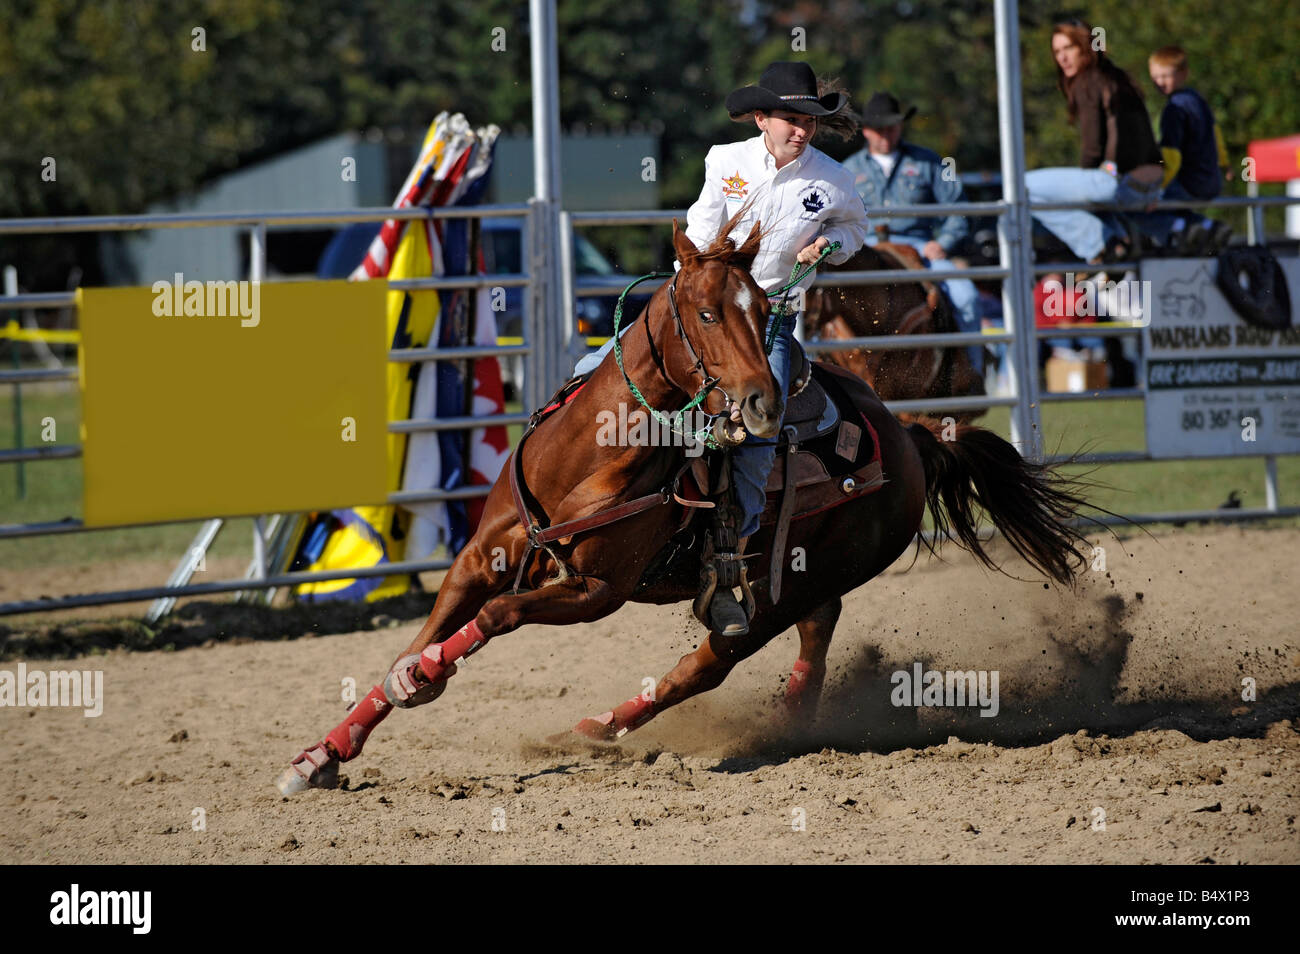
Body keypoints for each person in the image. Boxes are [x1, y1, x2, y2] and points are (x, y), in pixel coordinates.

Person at [574, 60, 869, 635]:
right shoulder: (724, 161)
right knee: (594, 369)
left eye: (808, 118)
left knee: (759, 429)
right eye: (789, 117)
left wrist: (830, 243)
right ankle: (572, 501)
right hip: (706, 314)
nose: (800, 129)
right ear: (762, 118)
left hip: (770, 323)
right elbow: (701, 224)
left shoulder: (834, 179)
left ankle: (727, 569)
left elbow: (856, 229)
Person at [842, 91, 983, 373]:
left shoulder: (929, 162)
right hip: (865, 252)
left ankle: (972, 374)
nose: (886, 135)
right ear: (866, 131)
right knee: (823, 304)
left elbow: (958, 209)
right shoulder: (846, 170)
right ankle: (819, 378)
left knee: (966, 297)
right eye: (879, 129)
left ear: (900, 126)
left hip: (919, 249)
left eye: (891, 127)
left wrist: (942, 242)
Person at [1024, 18, 1165, 264]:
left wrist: (1086, 181)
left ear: (1086, 47)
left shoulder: (1088, 81)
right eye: (1057, 51)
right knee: (1077, 194)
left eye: (1069, 48)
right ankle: (1118, 242)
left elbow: (1093, 148)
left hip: (1119, 183)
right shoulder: (1118, 77)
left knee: (1021, 187)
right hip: (1150, 186)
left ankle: (1101, 244)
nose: (1062, 58)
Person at [1146, 45, 1232, 254]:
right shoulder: (1198, 100)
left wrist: (1157, 186)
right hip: (1211, 181)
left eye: (1166, 76)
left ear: (1183, 74)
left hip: (1188, 182)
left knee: (1139, 207)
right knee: (1175, 209)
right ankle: (1208, 226)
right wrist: (1224, 163)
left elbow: (1170, 156)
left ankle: (1178, 232)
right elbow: (1216, 134)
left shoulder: (1174, 109)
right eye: (1155, 77)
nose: (1160, 82)